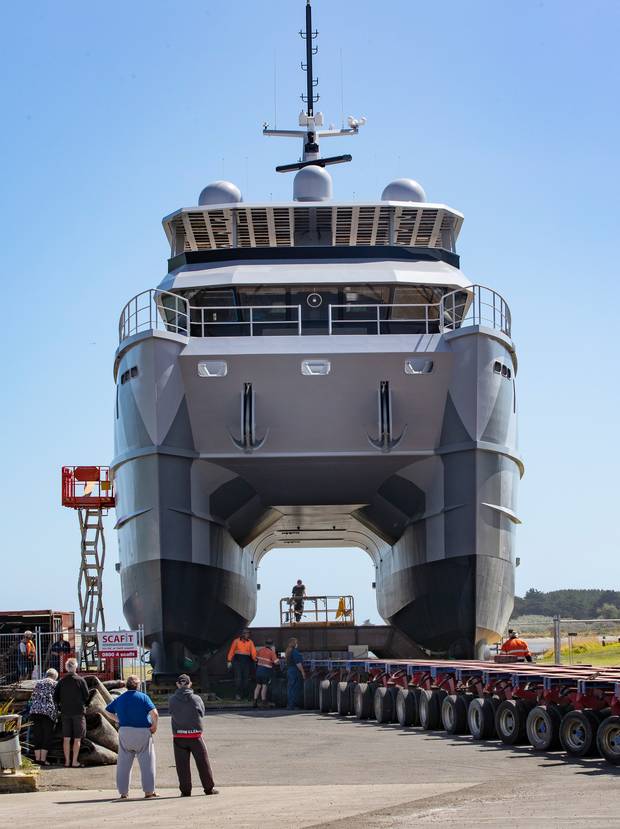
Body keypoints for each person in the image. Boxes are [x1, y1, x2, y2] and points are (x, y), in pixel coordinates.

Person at [104, 675, 159, 800]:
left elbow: (107, 710)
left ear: (126, 685)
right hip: (142, 732)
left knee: (123, 764)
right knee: (147, 762)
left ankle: (123, 792)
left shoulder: (120, 698)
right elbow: (154, 713)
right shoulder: (143, 697)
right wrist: (154, 726)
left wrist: (118, 719)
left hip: (125, 731)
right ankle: (149, 791)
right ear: (138, 686)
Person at [168, 674, 218, 797]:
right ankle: (208, 788)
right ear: (190, 684)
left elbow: (171, 712)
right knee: (203, 763)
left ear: (178, 684)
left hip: (179, 736)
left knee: (182, 765)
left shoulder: (172, 699)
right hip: (195, 735)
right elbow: (202, 713)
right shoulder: (196, 699)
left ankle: (185, 791)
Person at [53, 657, 90, 767]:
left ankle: (67, 761)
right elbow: (87, 696)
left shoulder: (61, 681)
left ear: (66, 668)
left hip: (65, 712)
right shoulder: (81, 680)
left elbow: (55, 697)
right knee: (77, 738)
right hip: (78, 712)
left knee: (66, 738)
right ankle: (74, 762)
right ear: (75, 667)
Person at [29, 668, 58, 765]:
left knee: (38, 735)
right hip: (48, 712)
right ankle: (43, 759)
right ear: (54, 676)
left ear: (46, 675)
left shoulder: (38, 683)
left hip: (35, 711)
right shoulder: (55, 684)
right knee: (47, 735)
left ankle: (37, 759)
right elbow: (57, 698)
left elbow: (32, 697)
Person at [227, 629, 257, 700]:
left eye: (248, 634)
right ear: (243, 634)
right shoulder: (236, 641)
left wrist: (255, 660)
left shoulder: (250, 642)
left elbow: (253, 652)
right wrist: (229, 661)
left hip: (246, 662)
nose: (248, 635)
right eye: (247, 634)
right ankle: (238, 695)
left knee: (246, 680)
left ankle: (244, 695)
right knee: (238, 679)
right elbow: (231, 651)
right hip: (237, 662)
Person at [253, 638, 279, 708]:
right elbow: (276, 662)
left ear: (265, 644)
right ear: (272, 645)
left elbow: (255, 659)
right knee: (264, 686)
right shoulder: (271, 652)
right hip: (266, 671)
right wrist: (275, 654)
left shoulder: (260, 650)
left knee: (258, 686)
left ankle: (255, 702)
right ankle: (263, 702)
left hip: (258, 670)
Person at [285, 637, 305, 710]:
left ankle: (290, 704)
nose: (297, 644)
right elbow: (298, 663)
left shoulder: (288, 651)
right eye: (296, 642)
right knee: (295, 688)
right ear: (294, 643)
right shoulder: (294, 651)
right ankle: (293, 705)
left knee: (290, 688)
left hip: (290, 670)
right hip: (294, 670)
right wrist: (302, 672)